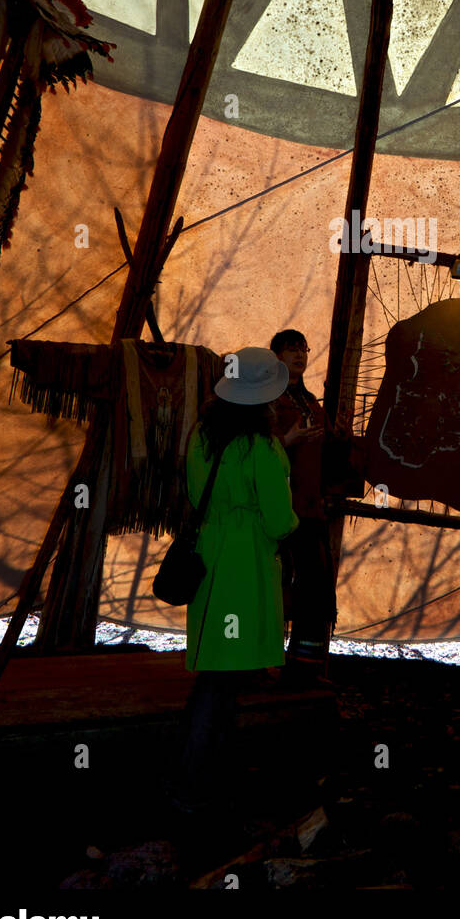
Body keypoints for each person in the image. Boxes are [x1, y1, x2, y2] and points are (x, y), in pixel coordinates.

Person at [173, 347, 298, 809]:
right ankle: (195, 787)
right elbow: (279, 520)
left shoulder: (202, 436)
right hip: (245, 567)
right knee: (222, 683)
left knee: (217, 672)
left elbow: (194, 492)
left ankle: (201, 778)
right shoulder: (262, 448)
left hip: (210, 560)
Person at [268, 328, 337, 683]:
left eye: (303, 349)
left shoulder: (311, 404)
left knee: (314, 586)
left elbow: (330, 455)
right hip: (276, 510)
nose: (299, 355)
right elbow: (254, 451)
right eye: (291, 349)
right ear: (276, 356)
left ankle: (305, 667)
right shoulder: (265, 401)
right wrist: (288, 439)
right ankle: (264, 660)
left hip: (310, 510)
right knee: (274, 584)